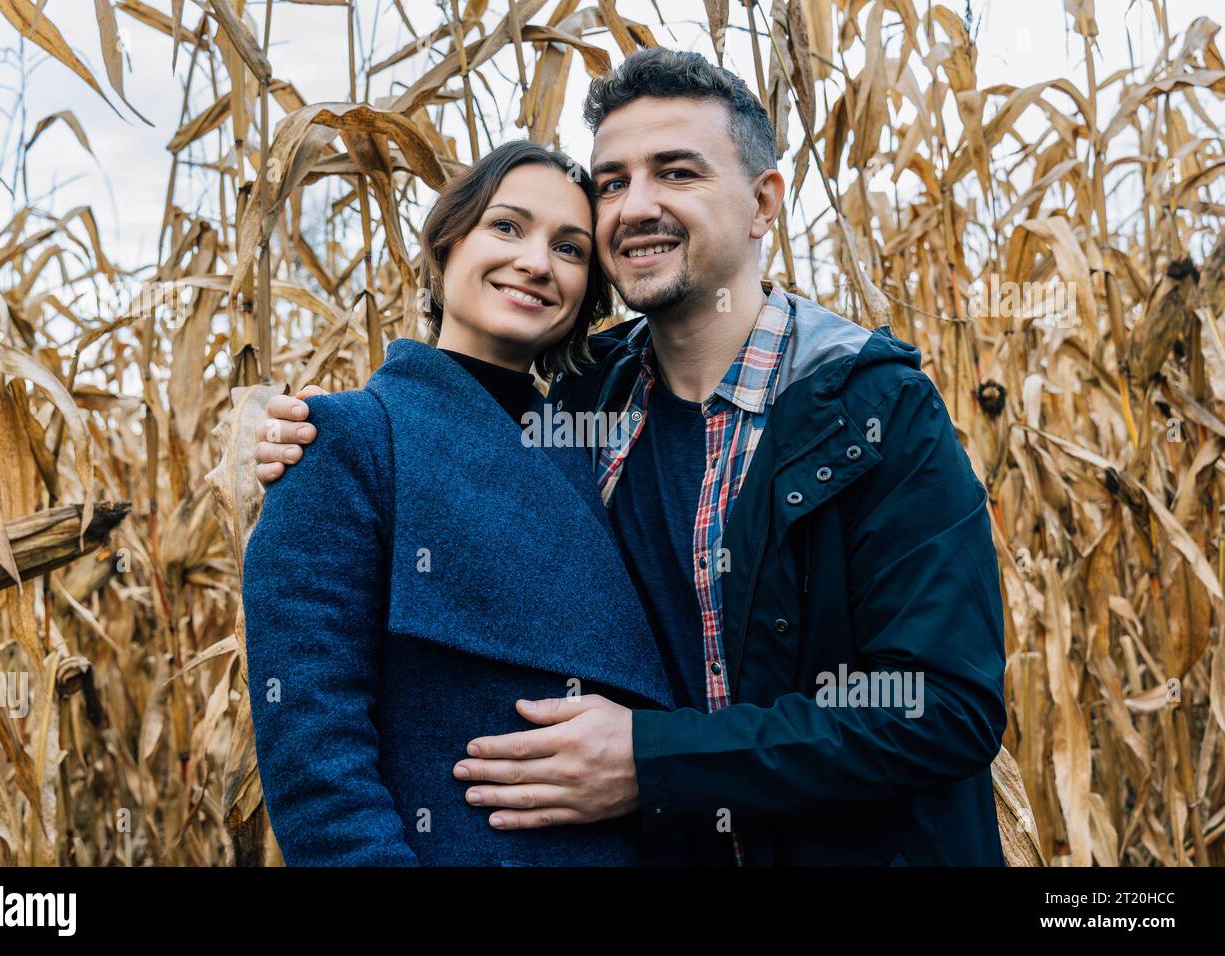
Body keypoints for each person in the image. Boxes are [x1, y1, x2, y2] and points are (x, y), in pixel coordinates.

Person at [255, 49, 1008, 866]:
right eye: (612, 182)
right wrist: (288, 440)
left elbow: (944, 709)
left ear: (764, 203)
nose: (635, 207)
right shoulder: (584, 412)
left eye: (676, 172)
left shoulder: (871, 409)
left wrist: (653, 762)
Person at [241, 140, 684, 866]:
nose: (537, 263)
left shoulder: (603, 449)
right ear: (446, 249)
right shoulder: (345, 438)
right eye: (506, 227)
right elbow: (315, 747)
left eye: (570, 249)